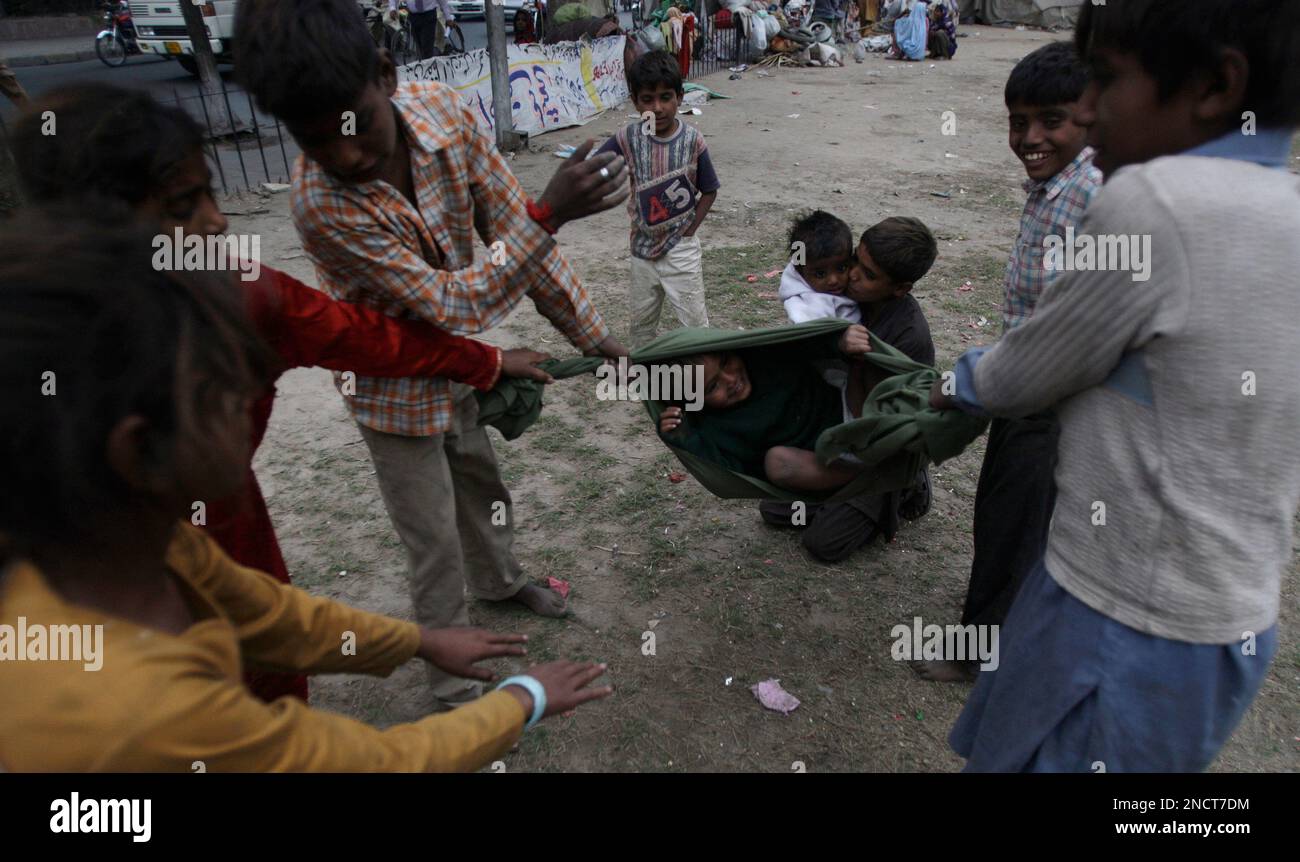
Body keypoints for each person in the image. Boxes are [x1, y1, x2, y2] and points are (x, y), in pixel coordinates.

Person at [0, 210, 613, 772]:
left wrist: (420, 641)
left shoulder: (141, 546)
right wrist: (523, 698)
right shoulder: (150, 714)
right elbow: (377, 765)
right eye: (234, 390)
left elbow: (266, 613)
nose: (258, 406)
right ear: (139, 450)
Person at [8, 83, 558, 704]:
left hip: (229, 541)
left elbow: (369, 338)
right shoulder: (37, 356)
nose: (217, 222)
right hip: (105, 601)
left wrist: (483, 360)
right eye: (183, 205)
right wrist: (512, 708)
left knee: (264, 673)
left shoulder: (244, 294)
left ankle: (490, 593)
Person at [933, 0, 1300, 771]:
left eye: (1103, 81)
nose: (1089, 113)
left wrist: (955, 384)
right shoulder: (1284, 212)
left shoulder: (1155, 202)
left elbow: (1034, 367)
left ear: (1213, 86)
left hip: (1122, 607)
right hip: (1225, 616)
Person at [234, 0, 629, 710]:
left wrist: (595, 339)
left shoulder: (445, 112)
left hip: (462, 368)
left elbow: (511, 228)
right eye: (316, 140)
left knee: (482, 487)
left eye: (356, 129)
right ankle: (452, 692)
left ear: (385, 75)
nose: (345, 156)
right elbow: (451, 304)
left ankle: (502, 585)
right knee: (432, 542)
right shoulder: (319, 203)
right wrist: (549, 216)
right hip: (391, 388)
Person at [914, 42, 1101, 684]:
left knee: (1011, 520)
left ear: (1093, 117)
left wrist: (967, 384)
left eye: (1051, 120)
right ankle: (1005, 623)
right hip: (1029, 388)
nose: (1030, 137)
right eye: (1018, 122)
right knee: (1017, 516)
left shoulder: (1090, 196)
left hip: (1047, 398)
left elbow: (1064, 329)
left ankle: (980, 649)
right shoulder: (1055, 186)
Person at [760, 216, 938, 560]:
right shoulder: (845, 298)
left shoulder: (907, 336)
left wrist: (855, 363)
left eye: (868, 275)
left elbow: (885, 419)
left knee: (823, 543)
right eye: (855, 261)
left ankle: (907, 488)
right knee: (775, 510)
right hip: (845, 429)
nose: (851, 275)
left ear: (900, 288)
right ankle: (845, 490)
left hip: (884, 449)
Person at [596, 50, 720, 348]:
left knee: (695, 323)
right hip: (641, 248)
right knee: (641, 323)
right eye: (647, 99)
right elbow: (596, 166)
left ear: (680, 97)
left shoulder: (692, 141)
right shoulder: (627, 138)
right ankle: (643, 374)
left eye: (666, 97)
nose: (658, 108)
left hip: (681, 249)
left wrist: (690, 230)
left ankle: (704, 374)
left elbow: (710, 189)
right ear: (635, 101)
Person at [657, 324, 875, 491]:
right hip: (827, 460)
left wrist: (840, 342)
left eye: (725, 362)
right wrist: (685, 437)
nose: (730, 379)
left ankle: (884, 443)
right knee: (777, 464)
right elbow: (726, 470)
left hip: (853, 414)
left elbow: (807, 343)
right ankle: (868, 473)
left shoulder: (761, 355)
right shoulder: (717, 428)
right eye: (713, 386)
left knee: (858, 366)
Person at [779, 210, 860, 325]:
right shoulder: (810, 306)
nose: (834, 280)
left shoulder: (805, 264)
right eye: (820, 274)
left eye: (841, 268)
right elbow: (812, 336)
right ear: (800, 271)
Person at [388, 0, 455, 60]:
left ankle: (428, 67)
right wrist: (392, 8)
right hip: (413, 16)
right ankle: (423, 64)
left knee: (426, 48)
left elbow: (442, 2)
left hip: (428, 16)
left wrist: (448, 18)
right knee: (419, 46)